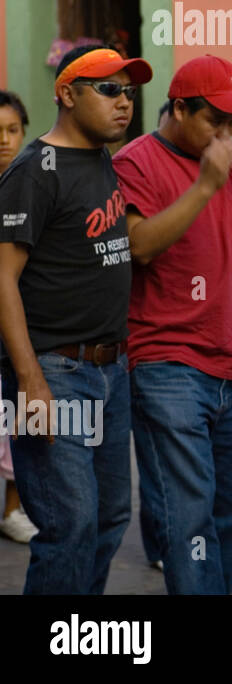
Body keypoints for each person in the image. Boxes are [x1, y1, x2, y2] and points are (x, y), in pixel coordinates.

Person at [114, 55, 232, 594]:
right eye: (214, 120)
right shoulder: (134, 163)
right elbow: (139, 246)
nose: (226, 133)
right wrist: (204, 185)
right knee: (188, 514)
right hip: (166, 361)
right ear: (177, 108)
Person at [0, 46, 152, 593]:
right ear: (67, 94)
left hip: (110, 369)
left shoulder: (100, 159)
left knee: (109, 517)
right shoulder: (33, 171)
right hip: (55, 373)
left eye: (129, 92)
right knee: (70, 523)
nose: (124, 103)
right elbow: (2, 280)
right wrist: (28, 382)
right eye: (109, 90)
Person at [0, 91, 36, 545]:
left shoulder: (31, 183)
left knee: (15, 421)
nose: (5, 141)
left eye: (12, 131)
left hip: (17, 323)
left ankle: (13, 506)